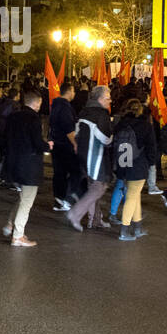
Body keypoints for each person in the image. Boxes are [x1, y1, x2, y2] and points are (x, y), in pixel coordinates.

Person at [1, 89, 50, 247]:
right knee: (27, 200)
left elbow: (4, 138)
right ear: (35, 103)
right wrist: (47, 146)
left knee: (23, 197)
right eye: (40, 103)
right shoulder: (34, 119)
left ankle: (11, 224)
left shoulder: (13, 116)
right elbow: (37, 142)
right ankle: (18, 236)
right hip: (29, 164)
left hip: (14, 162)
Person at [66, 85, 113, 231]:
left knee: (93, 186)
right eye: (107, 98)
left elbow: (77, 132)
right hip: (96, 156)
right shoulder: (101, 115)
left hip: (83, 155)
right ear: (99, 99)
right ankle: (75, 214)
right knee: (98, 187)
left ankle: (95, 219)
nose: (110, 101)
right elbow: (106, 139)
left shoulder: (84, 112)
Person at [113, 97, 156, 241]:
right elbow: (151, 147)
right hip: (138, 164)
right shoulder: (145, 126)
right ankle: (124, 230)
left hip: (122, 163)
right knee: (132, 196)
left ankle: (137, 227)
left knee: (134, 195)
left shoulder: (120, 124)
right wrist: (151, 163)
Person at [49, 82, 79, 210]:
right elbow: (68, 129)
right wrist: (75, 144)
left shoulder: (55, 105)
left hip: (56, 144)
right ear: (69, 91)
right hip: (65, 145)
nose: (74, 94)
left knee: (59, 173)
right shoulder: (65, 107)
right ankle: (66, 199)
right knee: (74, 172)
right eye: (73, 91)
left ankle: (59, 199)